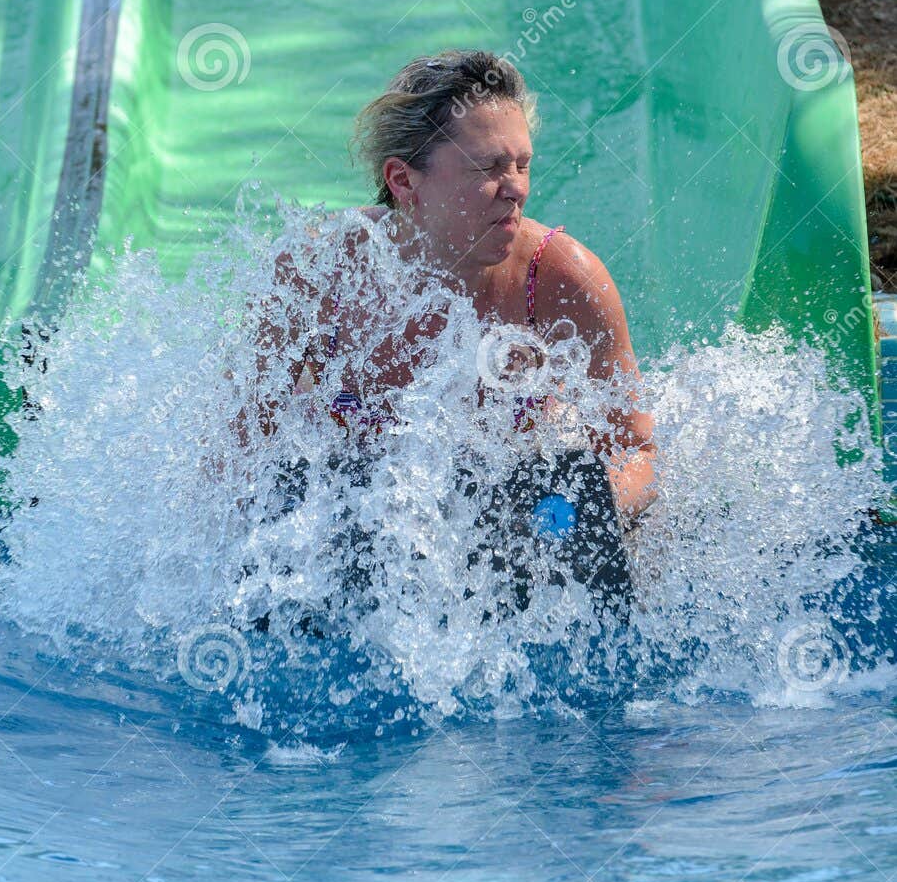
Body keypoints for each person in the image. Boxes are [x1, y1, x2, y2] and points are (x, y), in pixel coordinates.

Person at [244, 48, 655, 526]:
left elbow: (636, 450)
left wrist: (572, 519)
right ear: (402, 179)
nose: (517, 188)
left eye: (523, 164)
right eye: (488, 168)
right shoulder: (319, 270)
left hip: (511, 508)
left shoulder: (562, 281)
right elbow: (240, 442)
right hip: (351, 499)